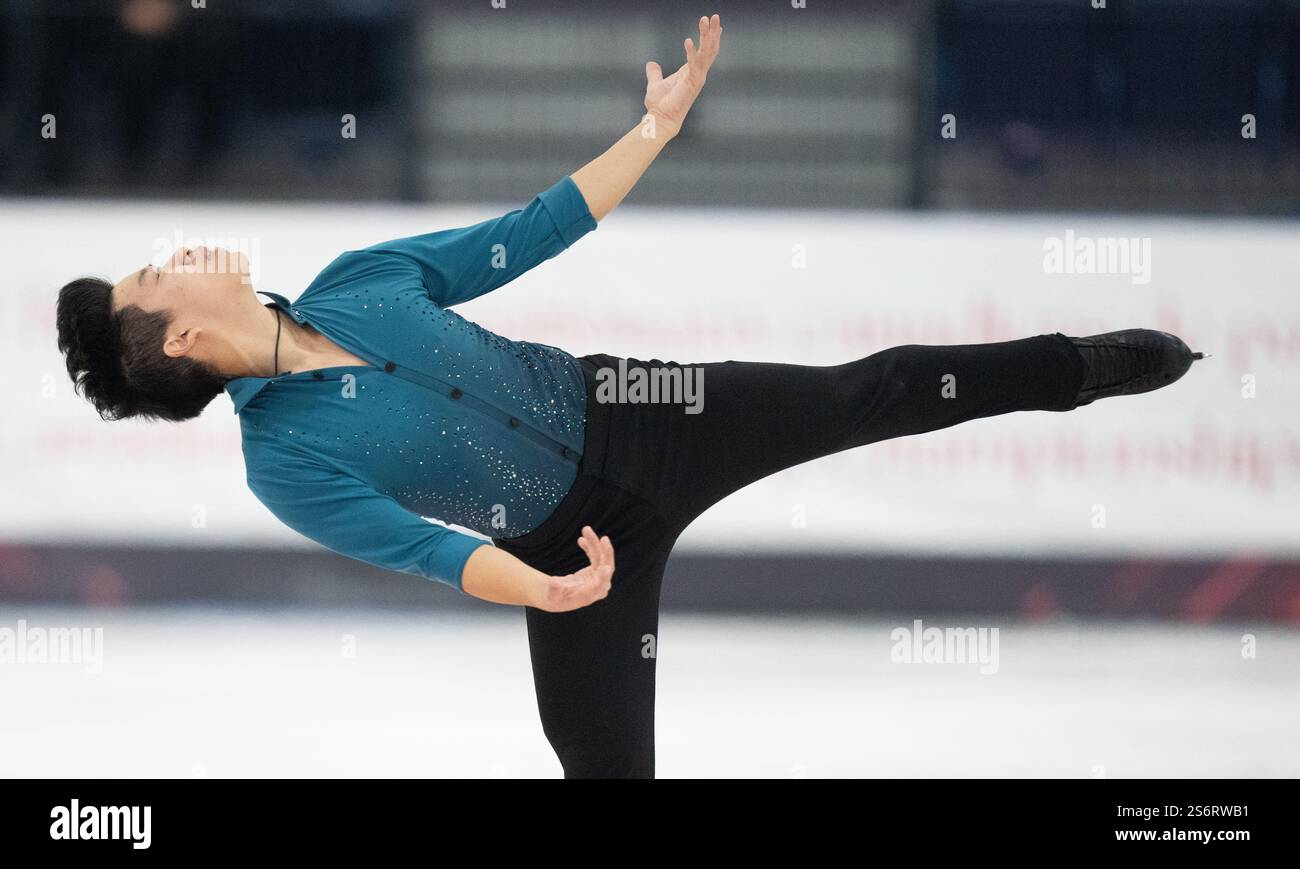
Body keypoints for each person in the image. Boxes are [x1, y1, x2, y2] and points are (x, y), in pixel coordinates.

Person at [54, 15, 1201, 777]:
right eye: (160, 274)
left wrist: (650, 130)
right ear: (186, 336)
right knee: (600, 765)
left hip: (645, 408)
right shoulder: (281, 463)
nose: (181, 252)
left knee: (879, 385)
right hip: (563, 550)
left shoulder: (357, 282)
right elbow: (425, 551)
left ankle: (1085, 365)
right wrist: (554, 592)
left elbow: (523, 238)